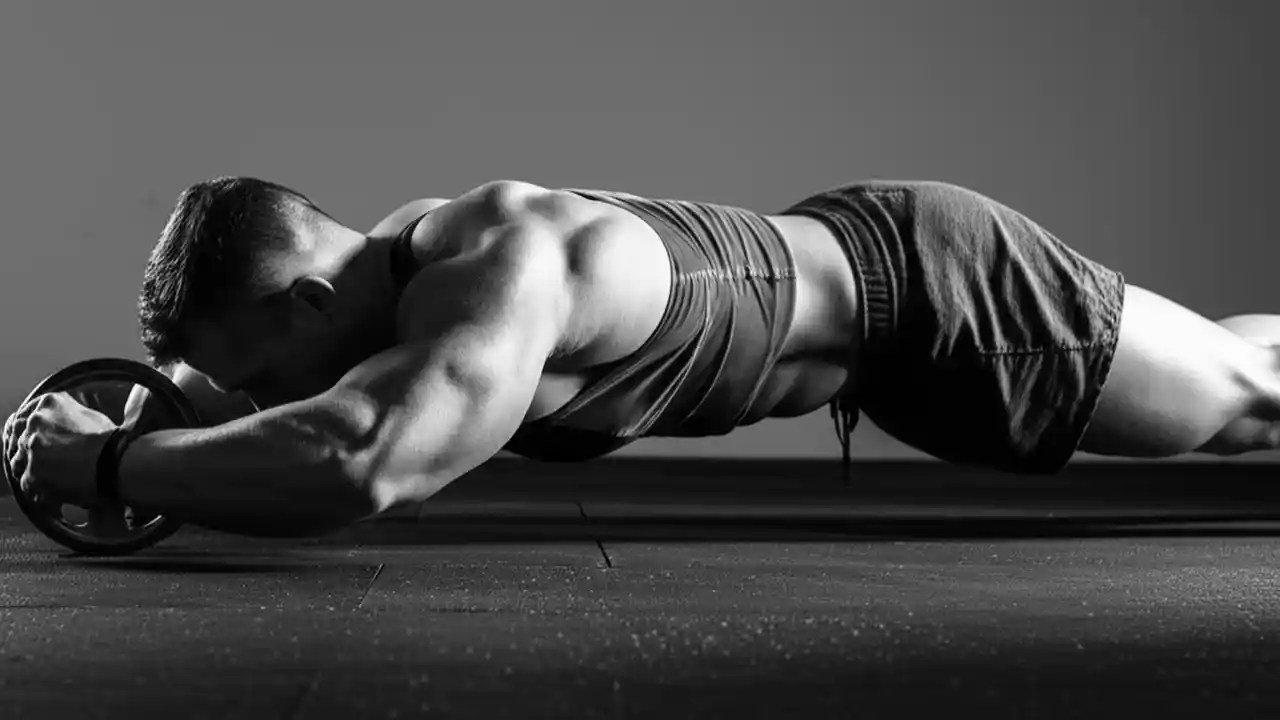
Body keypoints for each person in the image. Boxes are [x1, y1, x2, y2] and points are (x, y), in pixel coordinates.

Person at [6, 177, 1280, 537]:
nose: (272, 400)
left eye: (263, 374)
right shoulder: (389, 280)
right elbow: (315, 415)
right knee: (1232, 358)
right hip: (880, 341)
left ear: (312, 298)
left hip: (937, 299)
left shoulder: (502, 271)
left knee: (1248, 412)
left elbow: (360, 458)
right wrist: (158, 440)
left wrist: (119, 464)